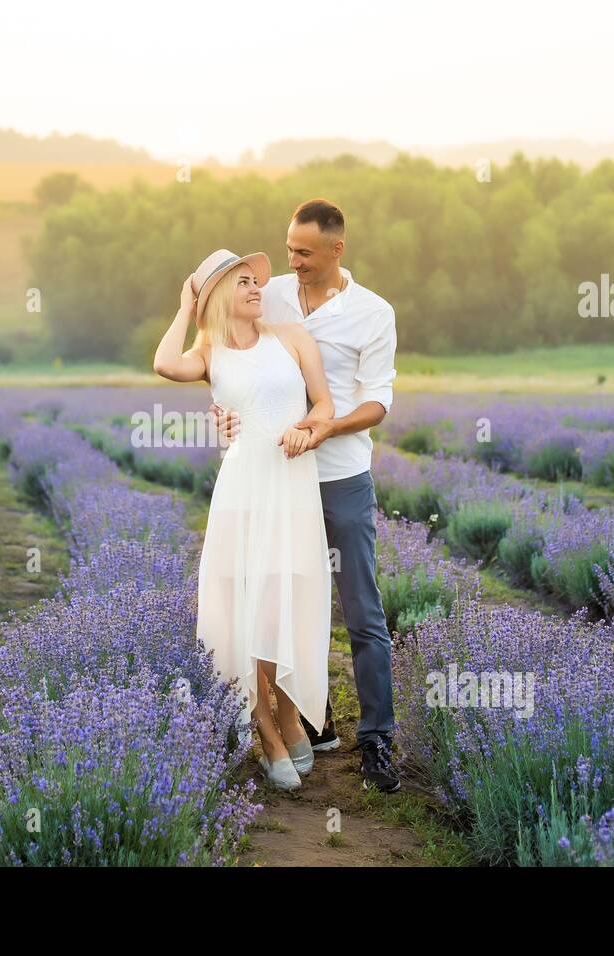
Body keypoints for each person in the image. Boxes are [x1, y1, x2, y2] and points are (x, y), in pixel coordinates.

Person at [211, 200, 402, 793]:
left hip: (339, 474)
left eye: (304, 253)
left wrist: (325, 427)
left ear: (337, 249)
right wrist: (223, 411)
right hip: (272, 477)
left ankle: (376, 739)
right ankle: (299, 722)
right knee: (271, 601)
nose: (291, 261)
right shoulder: (269, 298)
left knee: (361, 611)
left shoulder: (373, 313)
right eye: (289, 249)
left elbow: (378, 401)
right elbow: (232, 356)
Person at [153, 248, 334, 791]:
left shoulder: (293, 337)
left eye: (258, 281)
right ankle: (266, 731)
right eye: (244, 283)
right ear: (216, 297)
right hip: (244, 484)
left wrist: (308, 429)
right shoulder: (208, 351)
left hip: (292, 480)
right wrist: (185, 308)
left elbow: (323, 405)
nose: (258, 288)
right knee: (247, 599)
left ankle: (282, 710)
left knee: (280, 596)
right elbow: (164, 363)